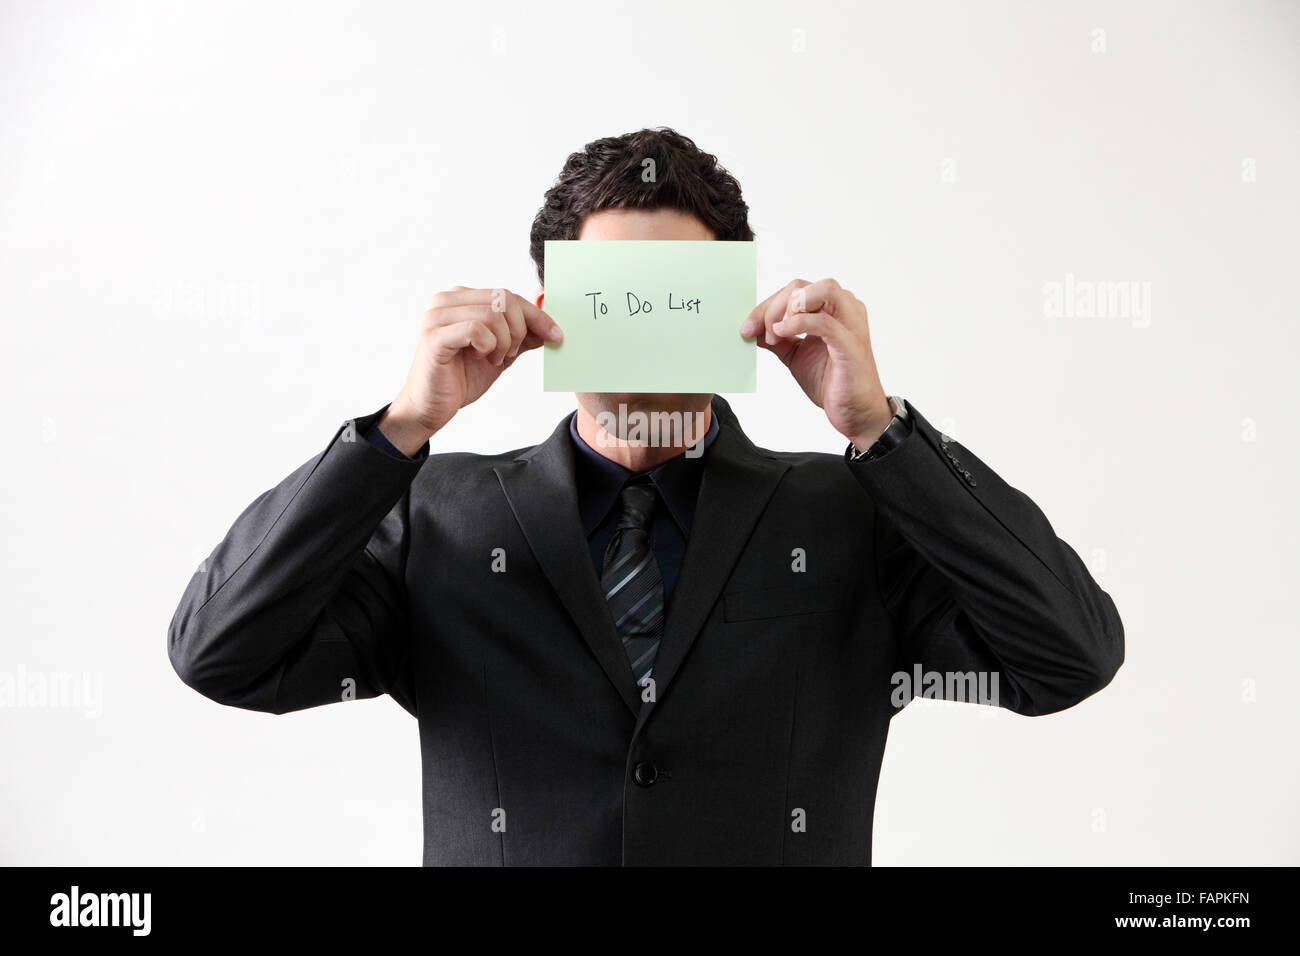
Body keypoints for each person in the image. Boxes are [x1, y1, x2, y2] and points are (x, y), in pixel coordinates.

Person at [168, 127, 1124, 866]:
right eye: (612, 292)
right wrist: (398, 431)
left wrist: (882, 430)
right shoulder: (438, 515)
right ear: (546, 306)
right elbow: (221, 654)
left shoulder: (848, 513)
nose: (645, 322)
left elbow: (1066, 656)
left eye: (678, 294)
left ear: (729, 307)